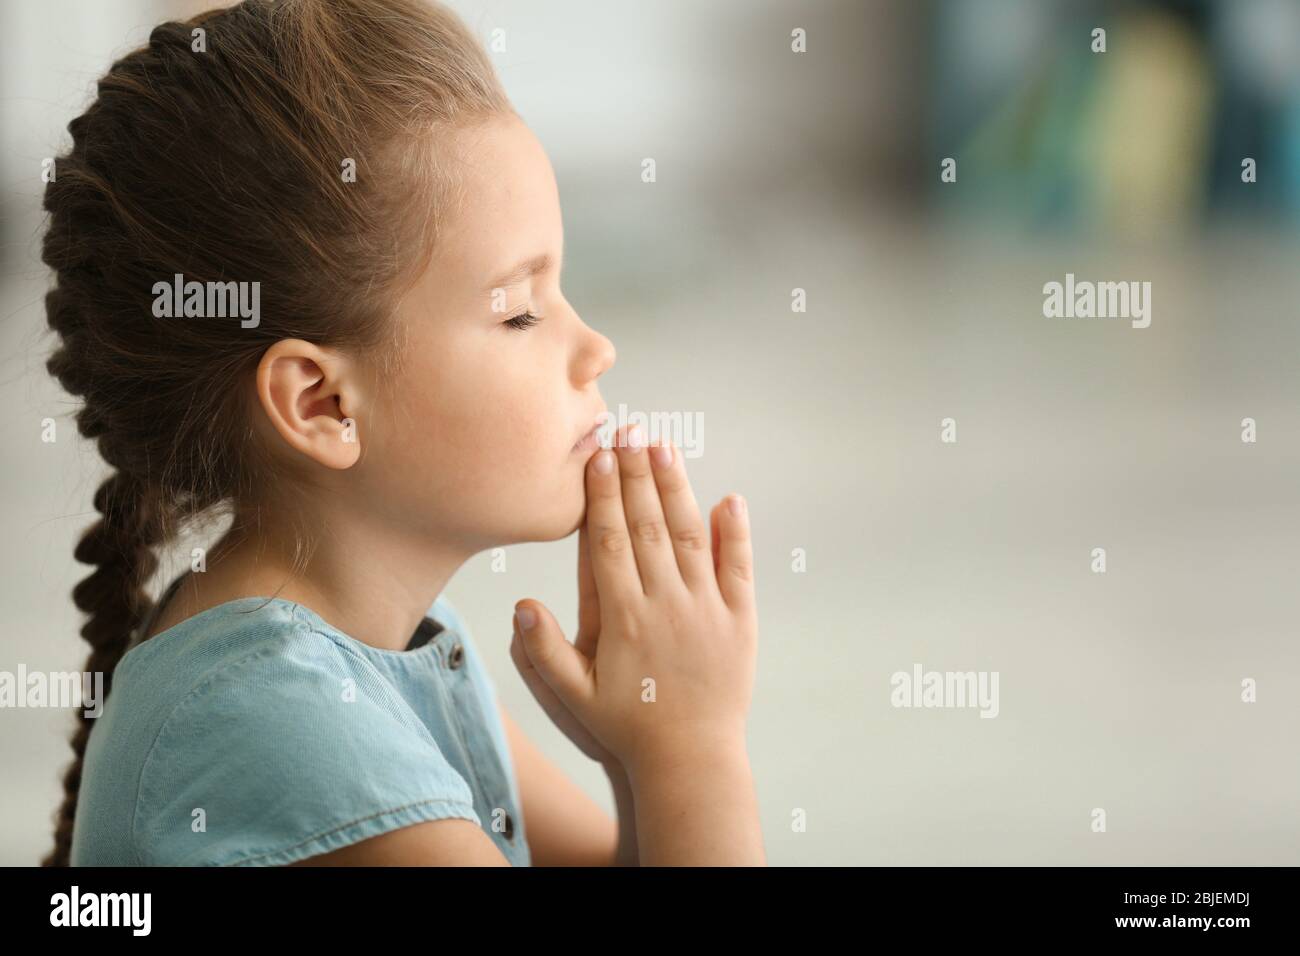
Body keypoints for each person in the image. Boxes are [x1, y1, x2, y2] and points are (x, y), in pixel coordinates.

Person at [42, 0, 762, 867]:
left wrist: (640, 757)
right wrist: (695, 752)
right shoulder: (278, 723)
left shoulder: (392, 646)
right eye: (522, 311)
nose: (596, 347)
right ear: (321, 405)